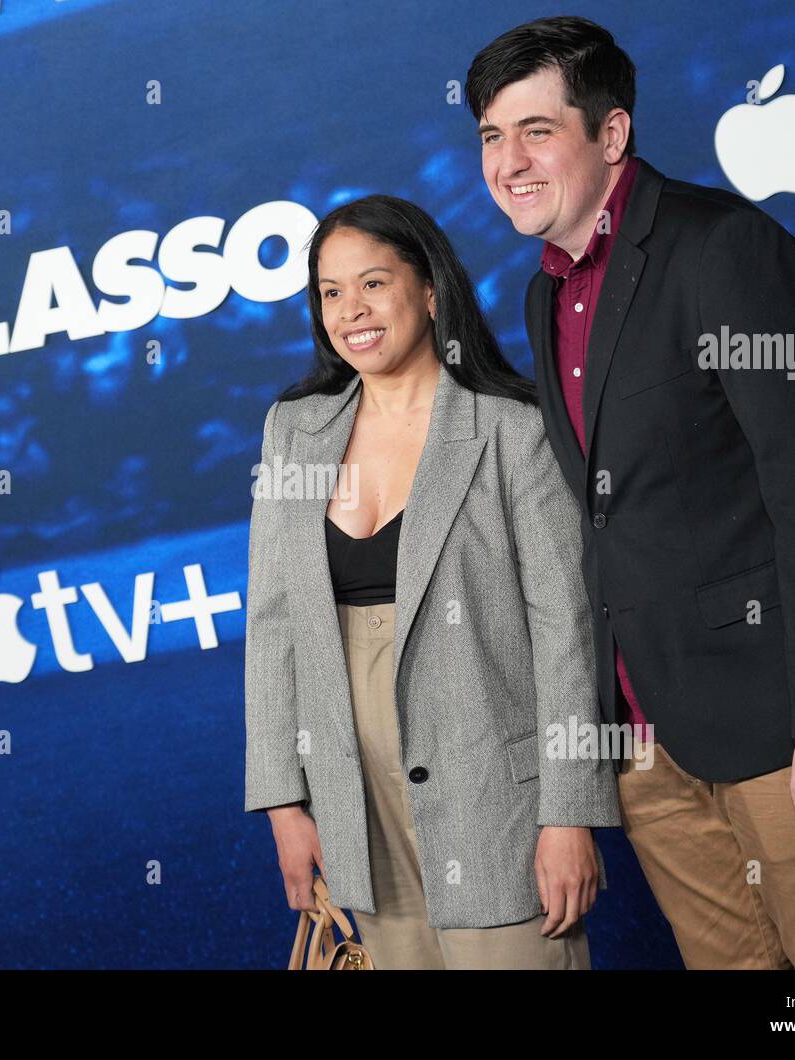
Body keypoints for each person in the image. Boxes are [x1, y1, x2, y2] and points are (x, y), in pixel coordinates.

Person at [465, 15, 795, 969]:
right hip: (645, 741)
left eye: (537, 131)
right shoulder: (546, 293)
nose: (509, 161)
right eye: (490, 137)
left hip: (779, 722)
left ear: (613, 134)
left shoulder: (725, 249)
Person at [243, 194, 621, 969]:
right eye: (332, 292)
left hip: (498, 804)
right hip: (354, 807)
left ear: (430, 290)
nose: (352, 311)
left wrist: (569, 814)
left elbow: (567, 630)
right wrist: (283, 801)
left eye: (374, 283)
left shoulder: (511, 427)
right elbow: (274, 626)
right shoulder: (293, 430)